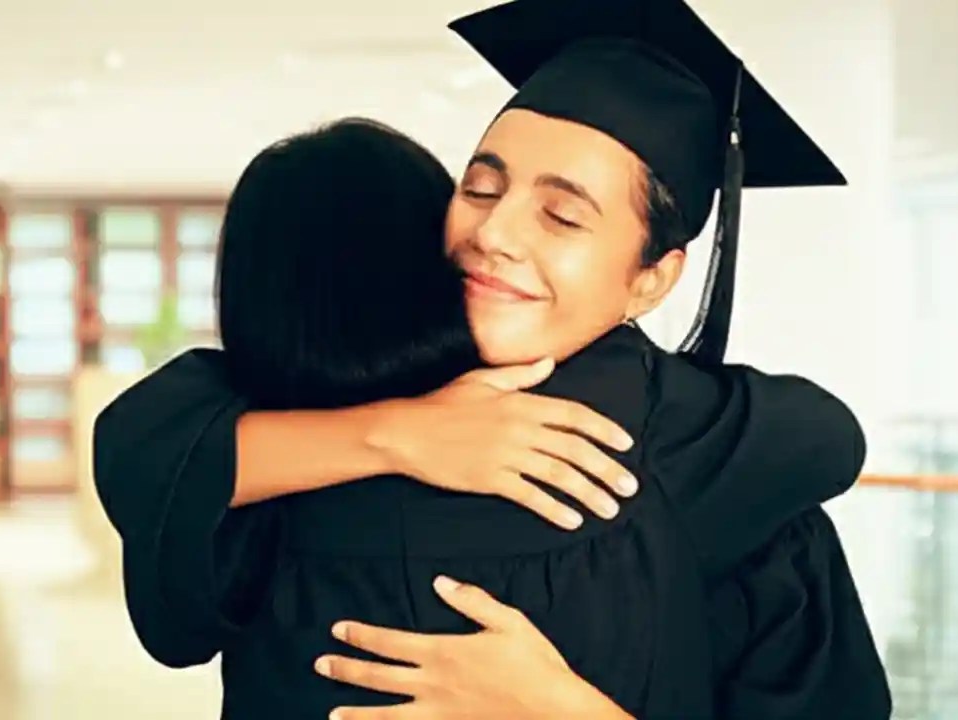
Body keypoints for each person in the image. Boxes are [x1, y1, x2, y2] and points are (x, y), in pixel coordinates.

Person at [95, 1, 892, 718]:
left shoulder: (716, 466)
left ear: (651, 279)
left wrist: (558, 708)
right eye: (480, 189)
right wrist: (398, 432)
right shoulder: (327, 406)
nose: (495, 233)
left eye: (561, 215)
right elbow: (144, 445)